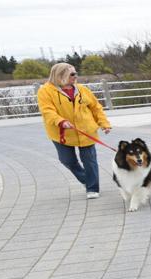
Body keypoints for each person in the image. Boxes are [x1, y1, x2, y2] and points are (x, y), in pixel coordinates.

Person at [36, 62, 112, 200]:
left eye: (76, 73)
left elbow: (96, 107)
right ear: (60, 75)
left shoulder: (82, 90)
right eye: (72, 74)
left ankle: (92, 188)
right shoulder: (45, 91)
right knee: (67, 160)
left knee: (89, 160)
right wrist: (60, 121)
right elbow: (47, 111)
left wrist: (104, 123)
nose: (75, 76)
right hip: (62, 133)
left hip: (86, 130)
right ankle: (86, 179)